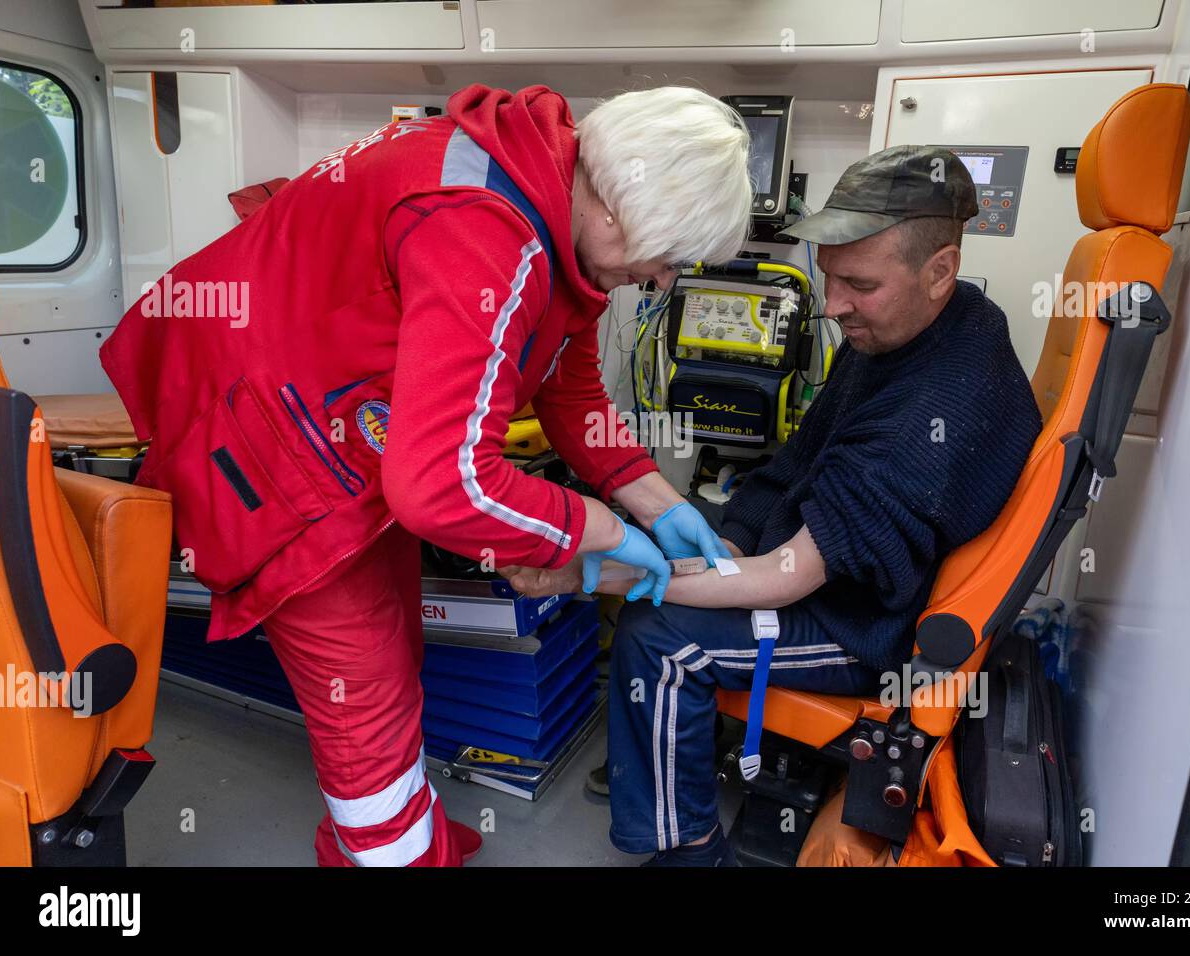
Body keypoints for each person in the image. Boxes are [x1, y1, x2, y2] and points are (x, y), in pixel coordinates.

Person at [100, 83, 752, 866]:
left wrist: (655, 498)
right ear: (623, 210)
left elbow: (568, 389)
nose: (662, 282)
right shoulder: (486, 226)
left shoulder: (554, 196)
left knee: (397, 652)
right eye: (670, 259)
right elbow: (442, 482)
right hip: (270, 445)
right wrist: (601, 533)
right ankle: (391, 851)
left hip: (346, 427)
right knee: (363, 692)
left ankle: (400, 832)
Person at [504, 145, 1044, 866]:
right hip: (822, 561)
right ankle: (673, 750)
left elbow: (789, 578)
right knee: (701, 541)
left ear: (939, 270)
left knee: (660, 638)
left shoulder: (936, 409)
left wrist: (587, 575)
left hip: (865, 621)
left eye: (858, 284)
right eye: (828, 279)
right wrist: (727, 538)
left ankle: (689, 848)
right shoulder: (915, 327)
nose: (833, 305)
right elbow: (795, 462)